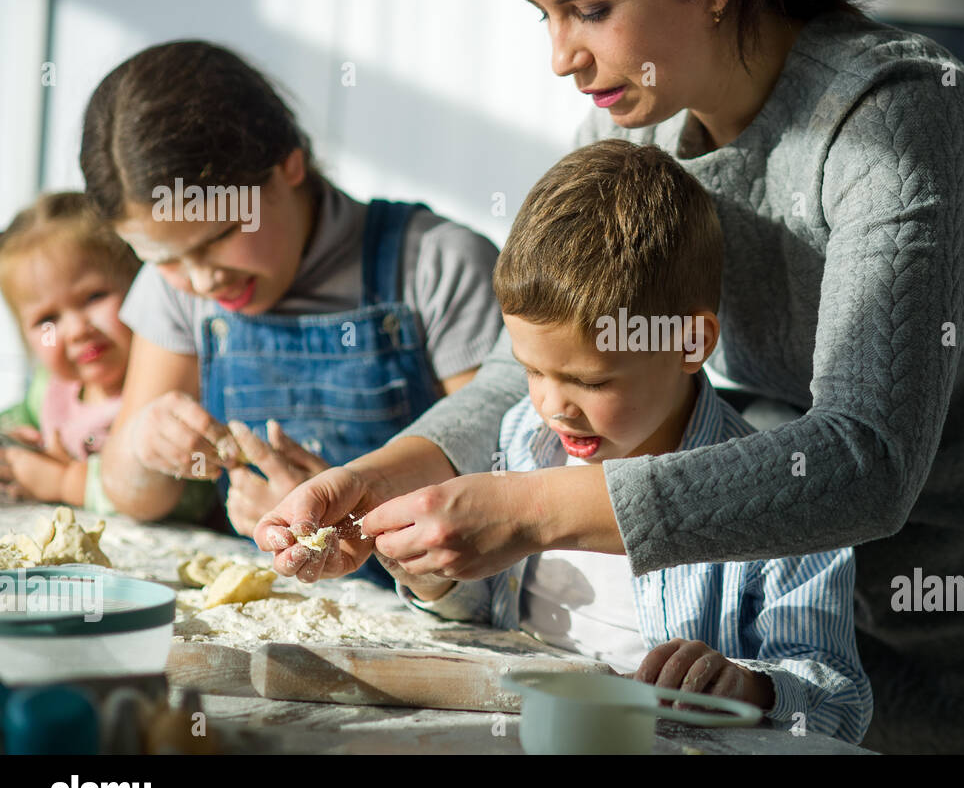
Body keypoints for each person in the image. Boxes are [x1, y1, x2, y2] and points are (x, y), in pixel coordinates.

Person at [257, 0, 964, 753]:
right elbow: (521, 372)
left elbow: (867, 458)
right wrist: (380, 476)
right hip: (817, 611)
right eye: (544, 15)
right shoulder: (639, 130)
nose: (561, 58)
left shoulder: (898, 122)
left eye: (588, 9)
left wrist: (533, 509)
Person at [376, 139, 869, 743]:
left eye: (590, 380)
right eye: (531, 370)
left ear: (691, 341)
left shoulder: (779, 502)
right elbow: (485, 619)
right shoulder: (525, 442)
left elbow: (840, 702)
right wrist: (437, 583)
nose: (552, 406)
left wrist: (748, 686)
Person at [81, 40, 502, 583]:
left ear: (290, 164)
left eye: (222, 235)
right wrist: (145, 443)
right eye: (162, 258)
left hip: (428, 613)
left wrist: (349, 518)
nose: (202, 280)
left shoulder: (435, 266)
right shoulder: (174, 290)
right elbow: (133, 497)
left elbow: (498, 489)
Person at [0, 192, 140, 512]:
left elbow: (185, 496)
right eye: (47, 320)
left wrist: (65, 483)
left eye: (94, 297)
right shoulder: (49, 389)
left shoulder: (157, 388)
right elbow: (16, 423)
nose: (77, 330)